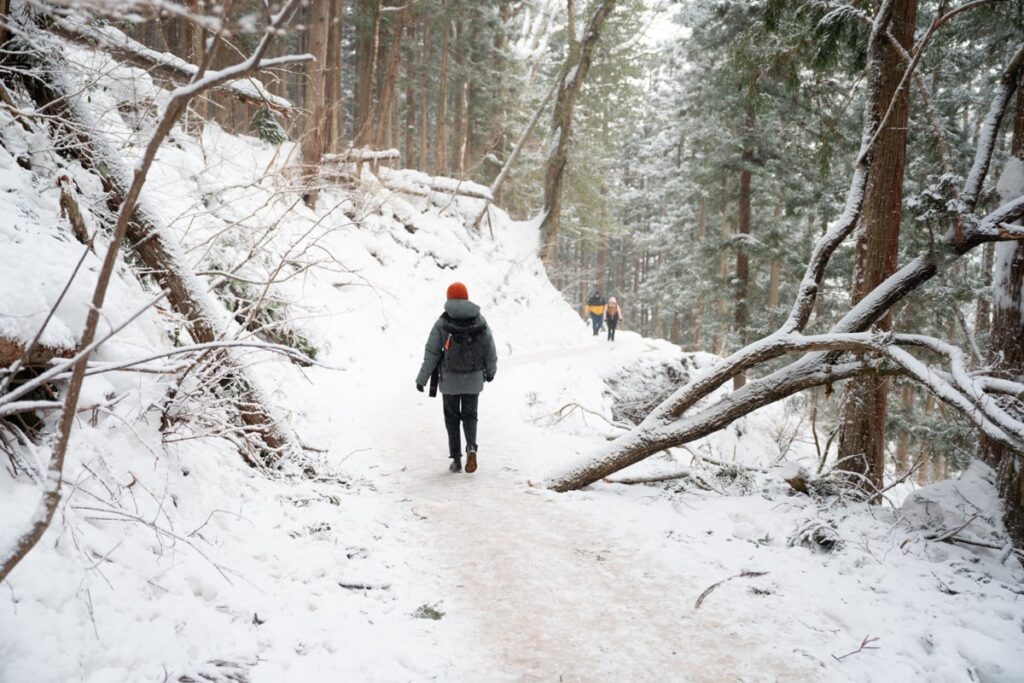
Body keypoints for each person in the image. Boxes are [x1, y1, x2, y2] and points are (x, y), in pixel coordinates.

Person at [416, 282, 497, 473]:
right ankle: (471, 448)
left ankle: (457, 460)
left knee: (451, 418)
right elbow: (489, 349)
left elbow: (432, 353)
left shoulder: (443, 322)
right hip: (473, 378)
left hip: (450, 379)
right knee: (470, 416)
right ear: (466, 297)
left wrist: (422, 379)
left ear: (449, 298)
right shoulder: (480, 320)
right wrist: (491, 372)